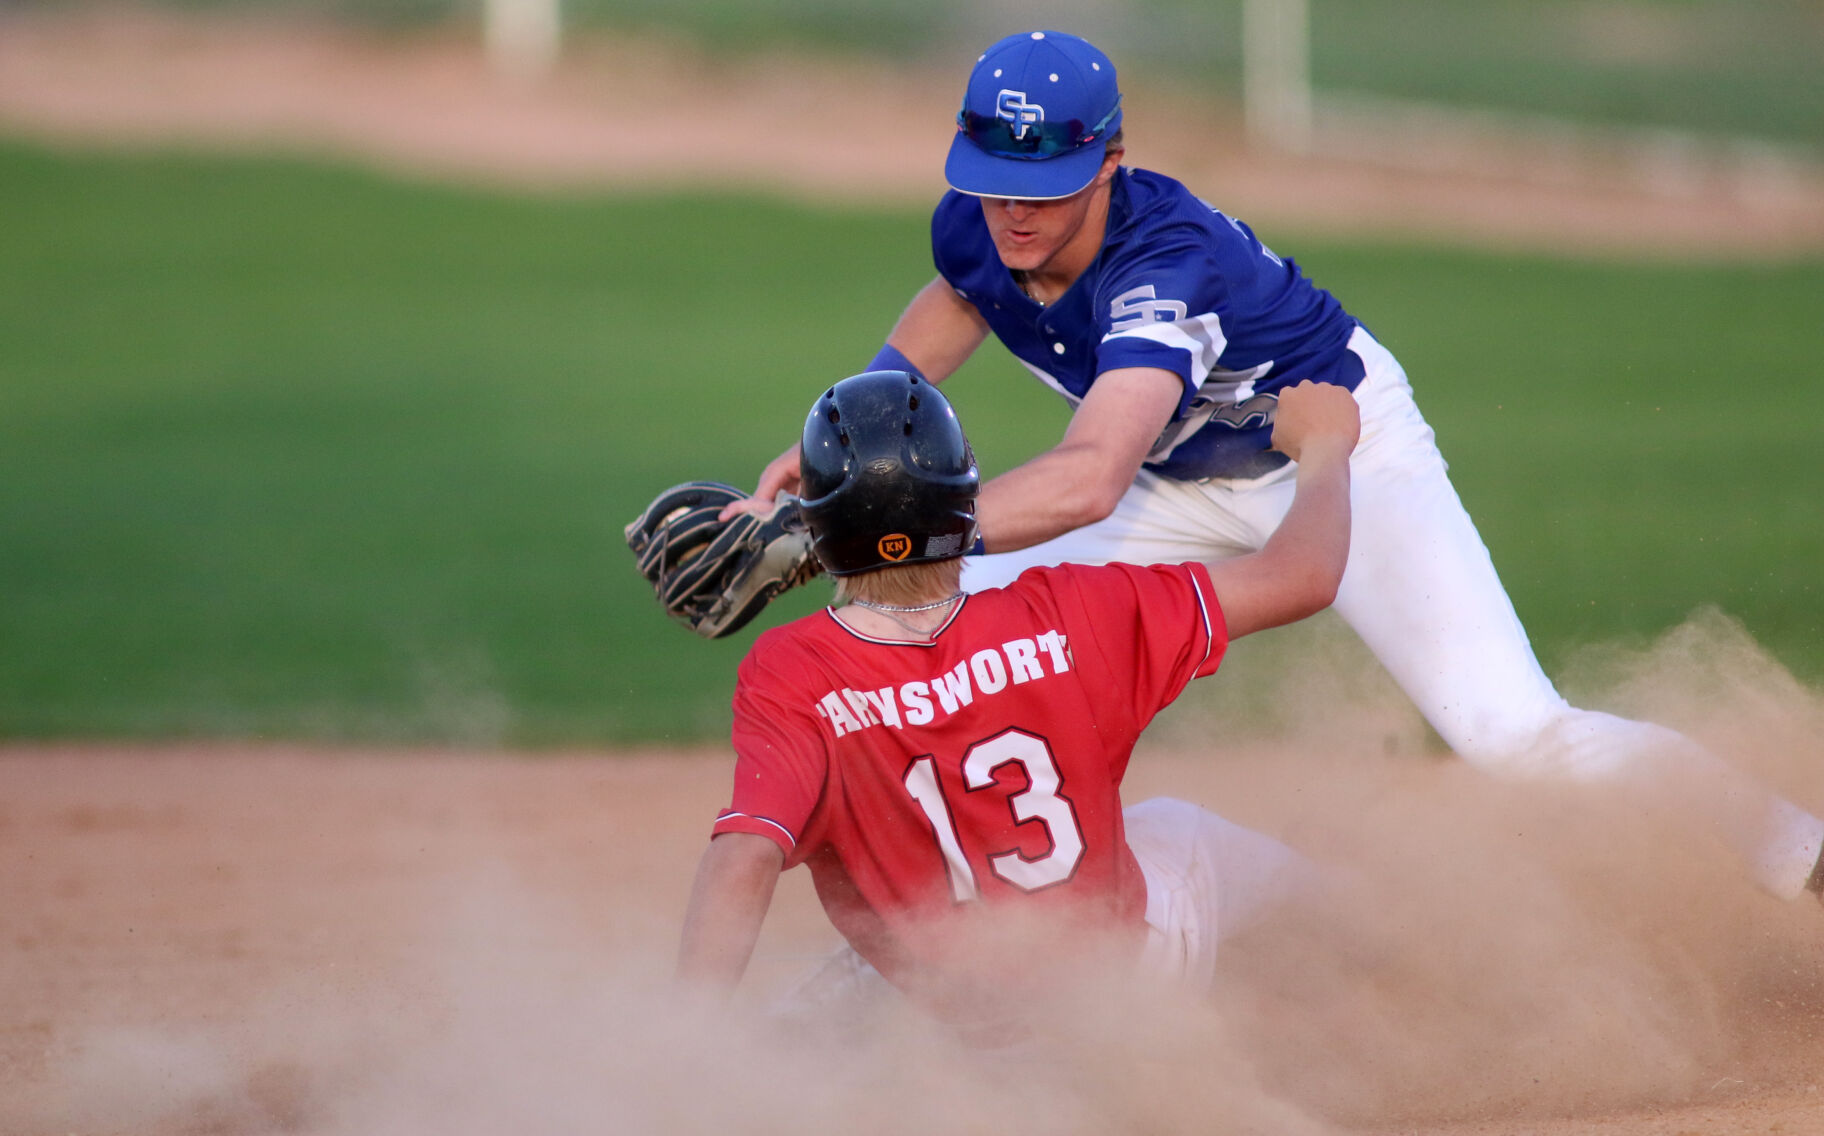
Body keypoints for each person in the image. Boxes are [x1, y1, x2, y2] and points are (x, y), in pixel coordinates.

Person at [722, 30, 1824, 901]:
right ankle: (983, 914)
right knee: (935, 624)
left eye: (1046, 182)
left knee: (1513, 732)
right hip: (1172, 478)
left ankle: (1799, 852)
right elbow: (962, 296)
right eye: (993, 179)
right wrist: (850, 439)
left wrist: (849, 530)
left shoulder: (1166, 262)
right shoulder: (982, 225)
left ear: (1111, 159)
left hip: (1331, 450)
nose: (1013, 208)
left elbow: (1091, 475)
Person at [675, 370, 1361, 1021]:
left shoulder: (793, 671)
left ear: (815, 532)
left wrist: (689, 1035)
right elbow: (1303, 575)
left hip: (961, 1030)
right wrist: (1326, 445)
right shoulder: (1072, 611)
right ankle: (1373, 946)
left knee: (875, 956)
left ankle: (780, 1038)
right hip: (1127, 999)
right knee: (1180, 830)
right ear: (967, 500)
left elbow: (746, 856)